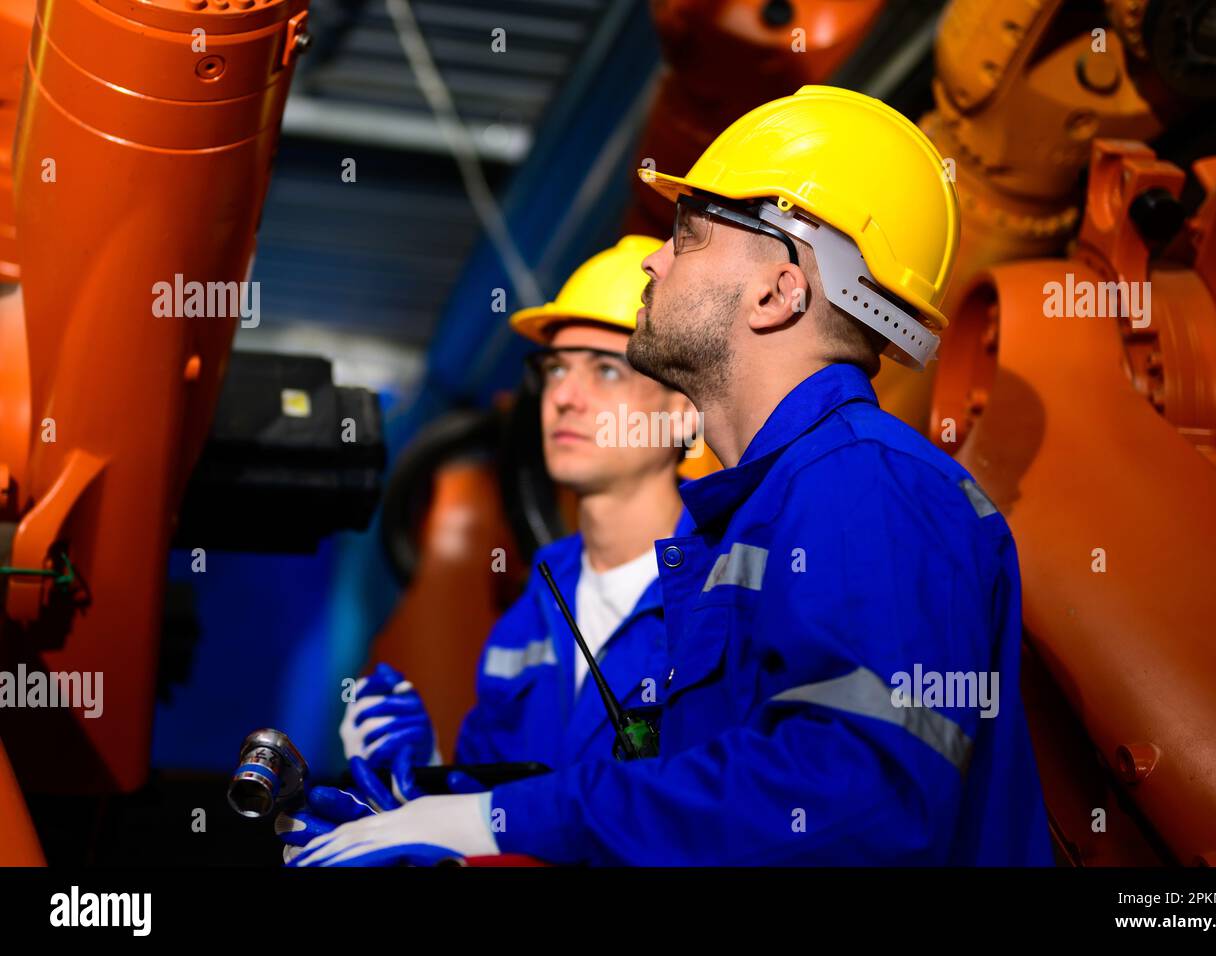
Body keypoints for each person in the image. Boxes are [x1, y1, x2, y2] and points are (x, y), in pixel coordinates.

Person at [280, 86, 1052, 866]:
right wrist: (430, 806)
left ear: (778, 291)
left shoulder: (866, 489)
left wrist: (493, 822)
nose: (652, 253)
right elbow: (664, 802)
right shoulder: (752, 520)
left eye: (689, 230)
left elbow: (849, 797)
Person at [278, 237, 698, 862]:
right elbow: (492, 807)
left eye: (606, 369)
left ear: (686, 413)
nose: (564, 397)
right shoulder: (534, 606)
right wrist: (424, 770)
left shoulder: (728, 588)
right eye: (555, 368)